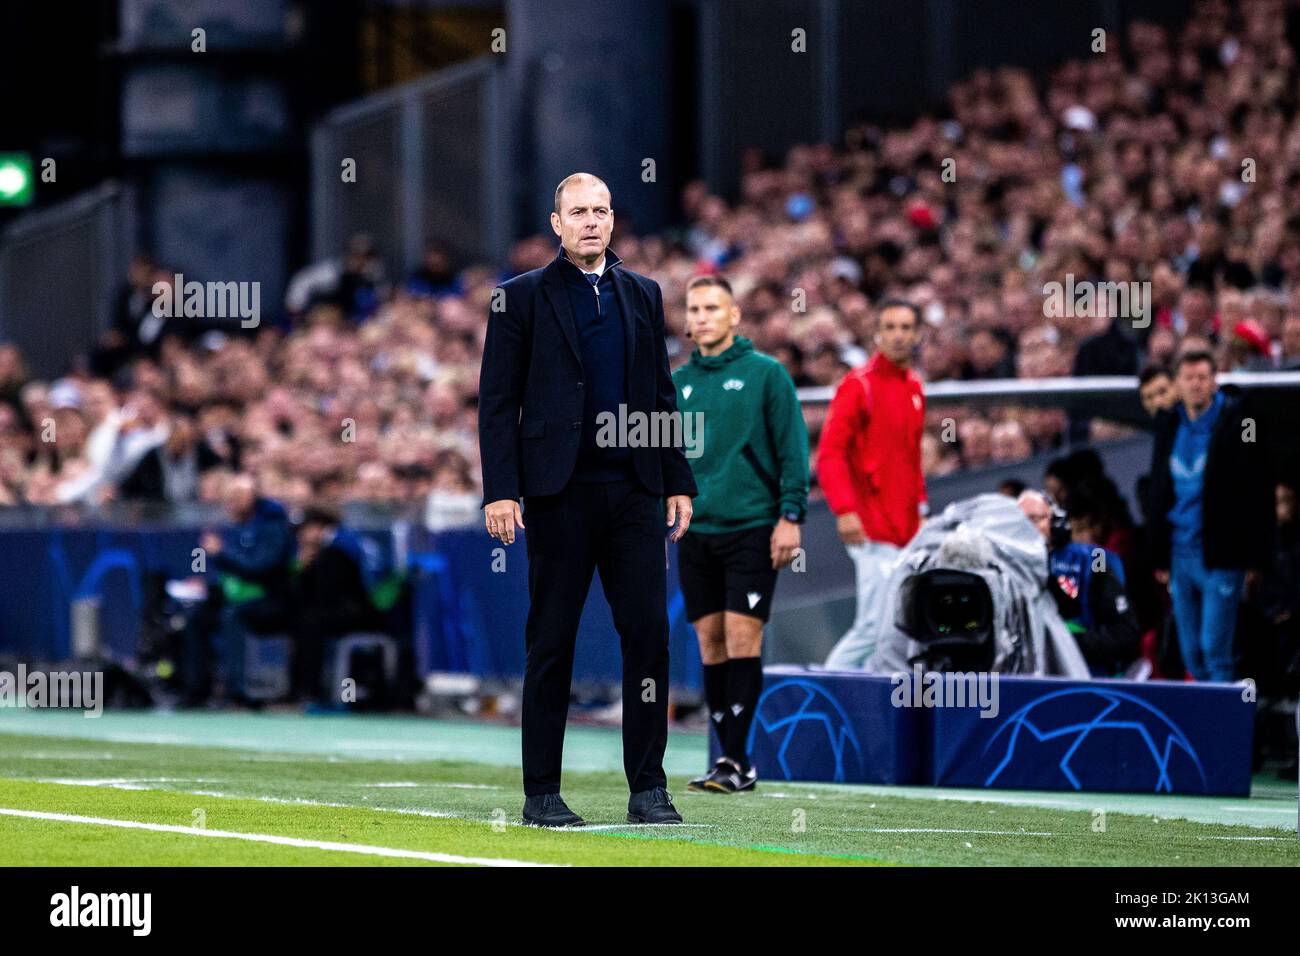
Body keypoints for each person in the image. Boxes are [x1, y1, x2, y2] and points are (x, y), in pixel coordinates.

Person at [477, 172, 697, 828]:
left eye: (601, 210)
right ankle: (541, 792)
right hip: (557, 492)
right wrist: (500, 491)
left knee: (650, 640)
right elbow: (496, 403)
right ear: (556, 222)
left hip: (632, 490)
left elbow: (661, 395)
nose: (592, 221)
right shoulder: (517, 300)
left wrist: (678, 478)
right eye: (579, 211)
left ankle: (648, 788)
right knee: (551, 642)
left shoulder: (644, 294)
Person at [671, 275, 809, 794]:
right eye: (695, 308)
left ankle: (737, 758)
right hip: (695, 531)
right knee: (709, 643)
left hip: (752, 527)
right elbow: (669, 459)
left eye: (713, 307)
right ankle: (726, 759)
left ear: (734, 317)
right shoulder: (678, 383)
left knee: (740, 635)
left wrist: (790, 515)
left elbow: (793, 449)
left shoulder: (767, 374)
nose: (703, 316)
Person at [1148, 350, 1274, 682]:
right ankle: (1203, 726)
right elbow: (1158, 488)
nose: (1196, 385)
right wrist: (1158, 552)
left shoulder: (1241, 422)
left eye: (1203, 377)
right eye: (1189, 378)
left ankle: (1222, 728)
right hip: (1180, 552)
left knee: (1214, 649)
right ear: (1178, 383)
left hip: (1222, 554)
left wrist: (1255, 556)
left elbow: (1257, 490)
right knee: (1191, 651)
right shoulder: (1169, 424)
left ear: (1214, 381)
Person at [820, 300, 926, 669]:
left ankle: (863, 708)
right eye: (891, 327)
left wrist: (922, 511)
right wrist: (845, 511)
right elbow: (830, 453)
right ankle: (826, 696)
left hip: (906, 530)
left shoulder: (914, 387)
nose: (899, 335)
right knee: (873, 628)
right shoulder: (857, 386)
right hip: (869, 527)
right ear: (877, 334)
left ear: (916, 335)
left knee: (894, 628)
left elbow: (912, 459)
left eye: (906, 328)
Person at [181, 474, 295, 705]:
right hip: (236, 600)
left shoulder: (273, 528)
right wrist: (208, 586)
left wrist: (220, 553)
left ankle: (237, 692)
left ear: (253, 498)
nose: (232, 502)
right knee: (197, 618)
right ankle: (196, 690)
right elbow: (231, 579)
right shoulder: (231, 529)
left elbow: (258, 568)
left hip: (274, 600)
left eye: (238, 496)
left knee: (233, 616)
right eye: (230, 497)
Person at [1018, 490, 1140, 676]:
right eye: (1021, 523)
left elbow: (1124, 633)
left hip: (1090, 675)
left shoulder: (1095, 557)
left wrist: (1065, 645)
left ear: (1056, 521)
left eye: (1035, 519)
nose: (1029, 529)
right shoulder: (1007, 571)